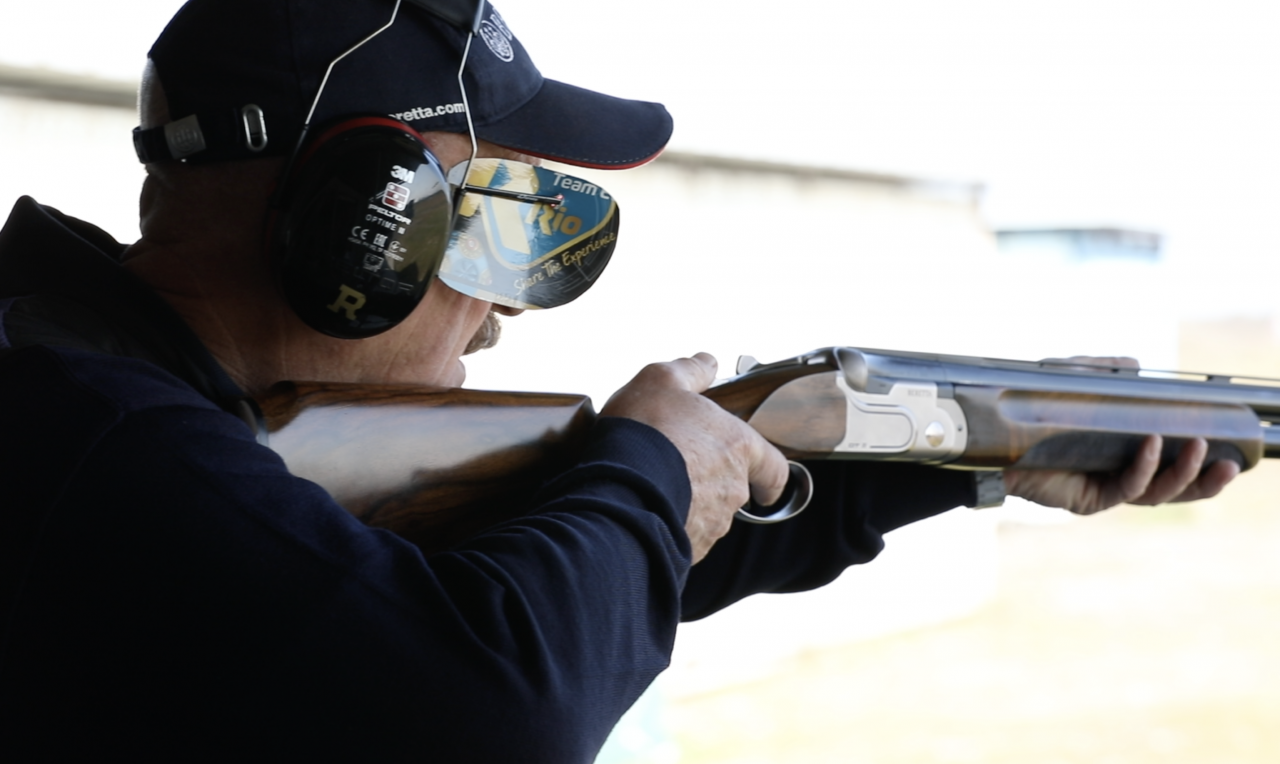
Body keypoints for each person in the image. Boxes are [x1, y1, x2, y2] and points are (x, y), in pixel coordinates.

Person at [0, 0, 1237, 760]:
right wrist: (650, 469)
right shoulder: (85, 432)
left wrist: (975, 454)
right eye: (488, 221)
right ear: (362, 217)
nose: (492, 311)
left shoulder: (127, 403)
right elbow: (488, 706)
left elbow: (559, 576)